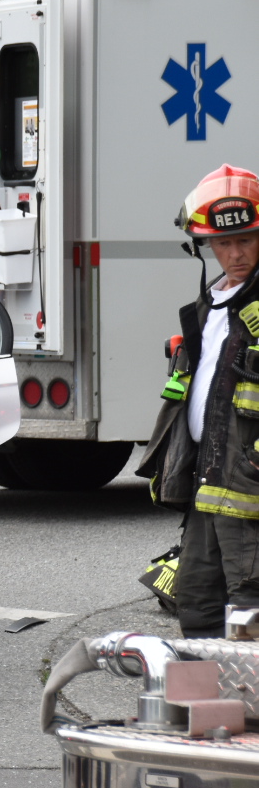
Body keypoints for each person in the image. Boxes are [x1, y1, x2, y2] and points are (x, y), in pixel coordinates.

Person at [144, 165, 259, 637]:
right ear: (205, 246)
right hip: (208, 486)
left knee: (249, 607)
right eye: (223, 244)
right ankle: (210, 706)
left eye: (247, 240)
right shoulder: (210, 305)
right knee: (196, 604)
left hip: (250, 491)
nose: (235, 253)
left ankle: (247, 707)